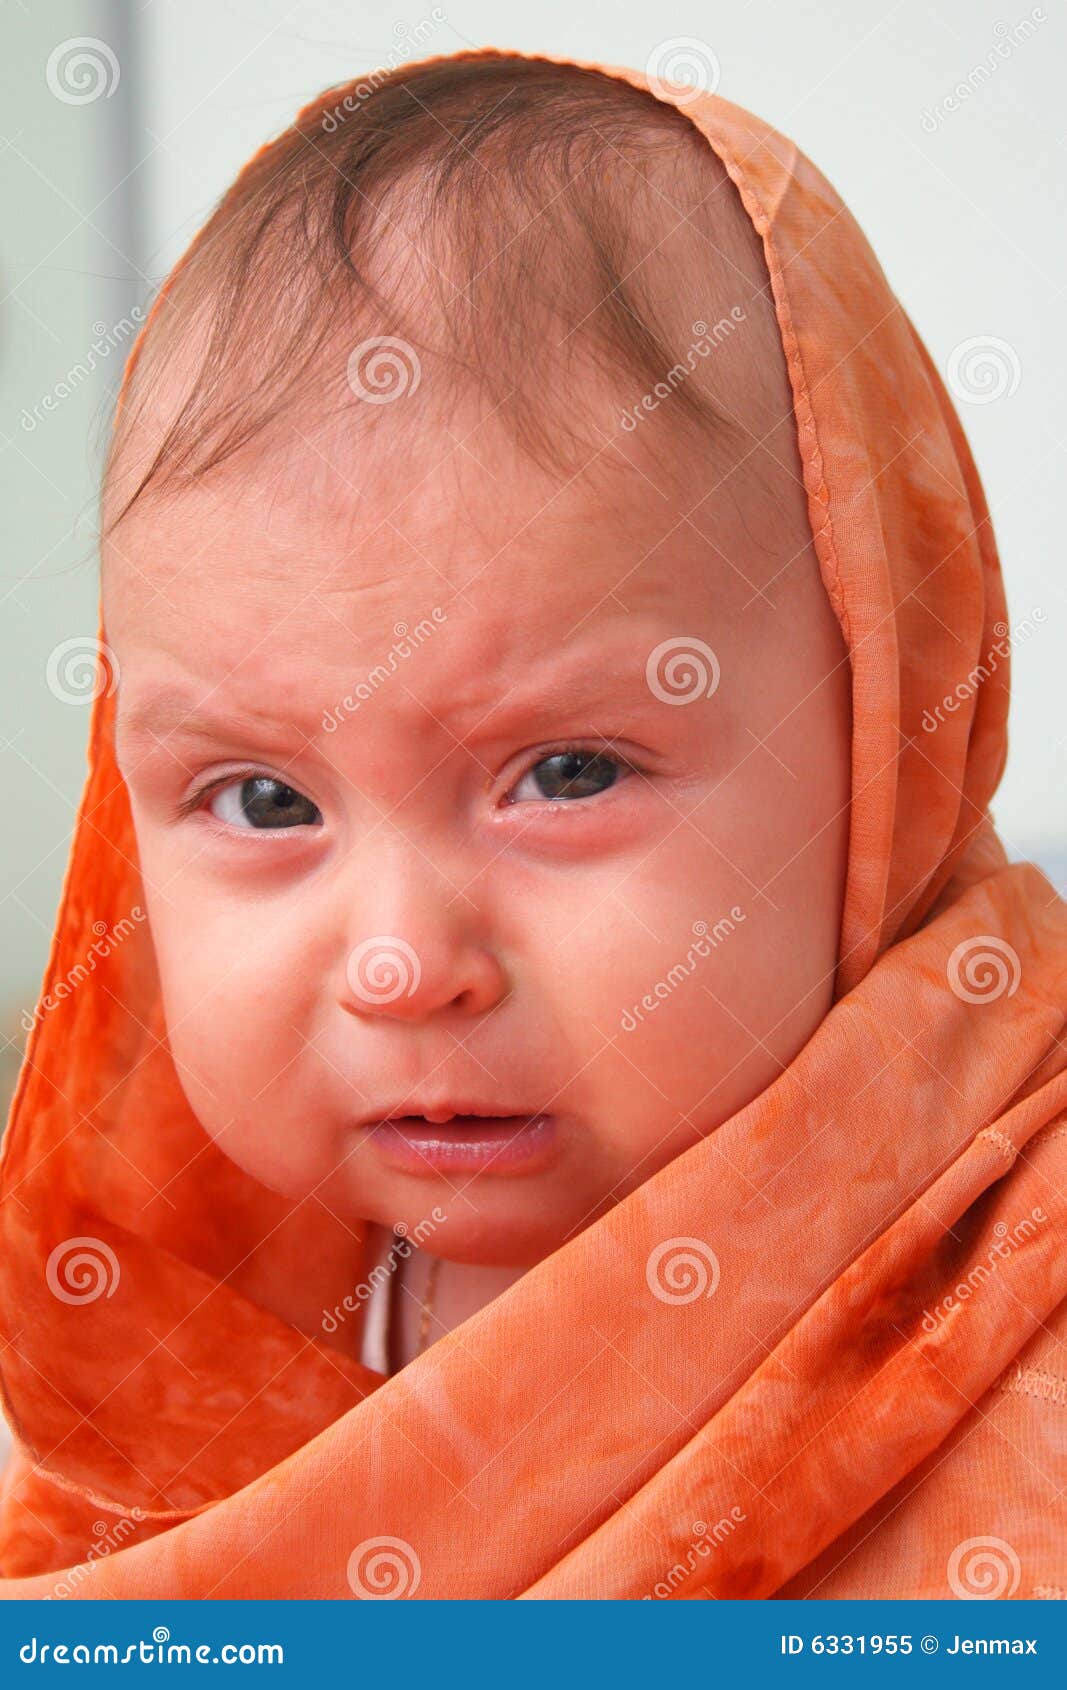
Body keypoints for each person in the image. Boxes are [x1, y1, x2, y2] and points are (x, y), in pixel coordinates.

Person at [0, 45, 1063, 1601]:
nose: (400, 966)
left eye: (565, 773)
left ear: (891, 737)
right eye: (267, 800)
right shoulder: (166, 1352)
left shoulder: (1018, 1279)